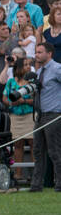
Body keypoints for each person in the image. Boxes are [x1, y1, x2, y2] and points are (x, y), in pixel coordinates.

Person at [30, 41, 61, 192]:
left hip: (54, 114)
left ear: (49, 54)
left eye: (40, 52)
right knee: (37, 150)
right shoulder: (39, 71)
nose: (37, 55)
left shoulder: (57, 69)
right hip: (40, 115)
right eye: (36, 52)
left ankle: (59, 184)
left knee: (55, 151)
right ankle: (36, 185)